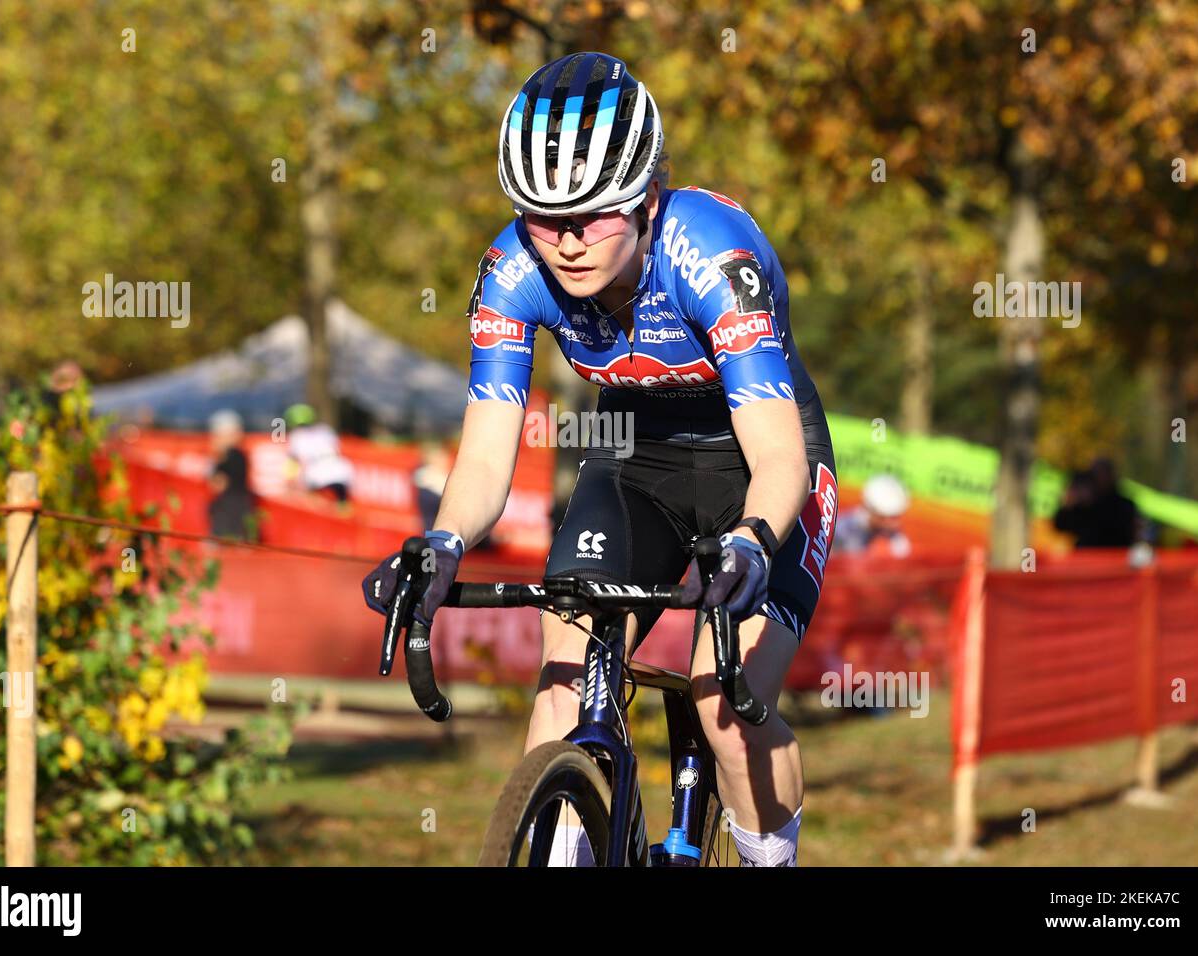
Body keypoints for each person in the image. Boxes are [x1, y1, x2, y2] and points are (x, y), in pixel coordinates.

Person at [363, 53, 837, 867]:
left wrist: (755, 540)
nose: (568, 243)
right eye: (544, 220)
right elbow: (484, 457)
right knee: (559, 689)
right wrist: (442, 545)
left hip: (761, 464)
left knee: (724, 703)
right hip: (631, 462)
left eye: (592, 217)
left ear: (647, 197)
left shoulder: (713, 254)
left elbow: (778, 457)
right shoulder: (511, 271)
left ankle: (769, 855)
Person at [1053, 456, 1138, 548]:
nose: (1099, 478)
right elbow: (1061, 525)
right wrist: (1069, 504)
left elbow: (1120, 531)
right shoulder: (1083, 506)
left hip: (1115, 556)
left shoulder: (1123, 505)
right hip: (1086, 557)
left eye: (1103, 473)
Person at [284, 403, 354, 504]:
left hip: (315, 474)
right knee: (342, 503)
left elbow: (293, 462)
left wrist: (289, 481)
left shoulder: (296, 437)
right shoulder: (326, 430)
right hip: (342, 470)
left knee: (313, 503)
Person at [206, 409, 257, 540]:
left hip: (230, 517)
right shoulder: (239, 456)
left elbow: (218, 485)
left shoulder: (231, 457)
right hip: (237, 514)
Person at [835, 473, 911, 558]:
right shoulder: (843, 531)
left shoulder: (891, 533)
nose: (895, 523)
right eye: (891, 518)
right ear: (874, 513)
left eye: (897, 517)